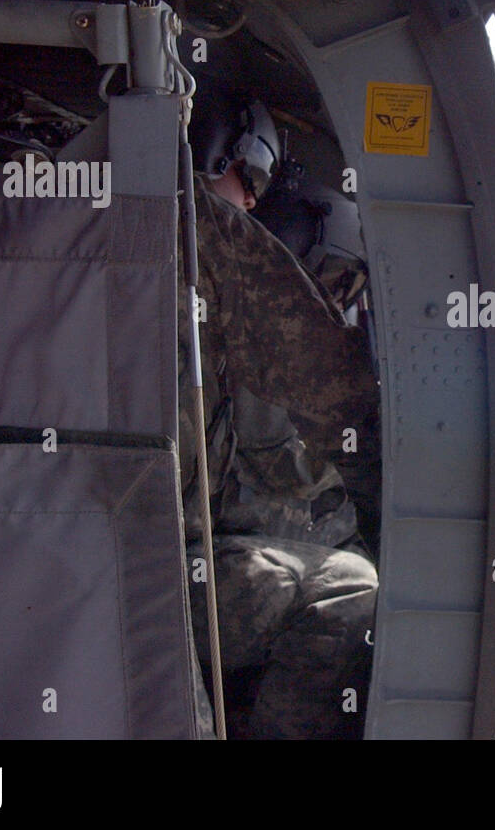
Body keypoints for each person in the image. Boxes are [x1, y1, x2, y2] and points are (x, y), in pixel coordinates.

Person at [179, 86, 381, 740]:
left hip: (122, 551)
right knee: (353, 588)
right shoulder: (203, 244)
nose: (254, 202)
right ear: (215, 157)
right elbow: (331, 402)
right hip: (157, 566)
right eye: (250, 177)